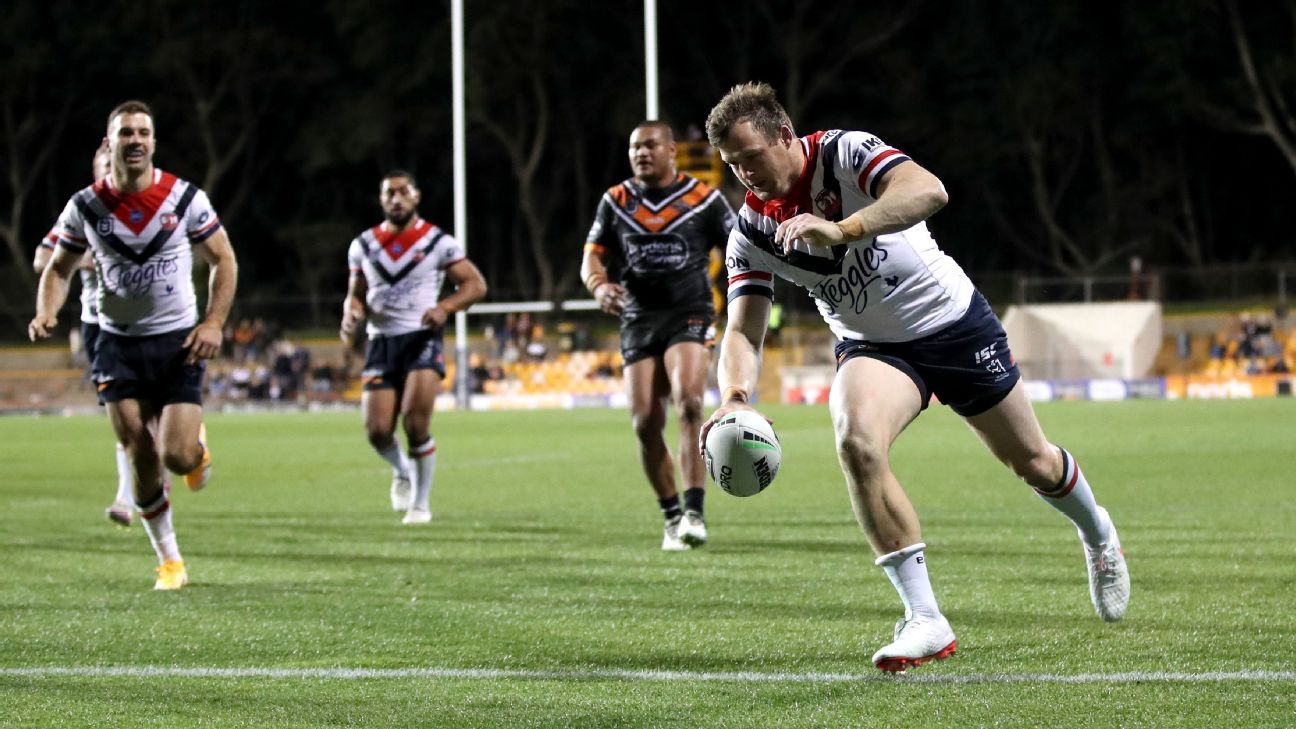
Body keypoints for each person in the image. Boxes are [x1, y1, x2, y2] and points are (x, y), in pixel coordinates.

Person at [701, 82, 1129, 671]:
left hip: (953, 324)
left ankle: (1098, 532)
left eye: (752, 156)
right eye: (733, 165)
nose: (745, 174)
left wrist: (844, 229)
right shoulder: (750, 233)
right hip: (874, 348)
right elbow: (744, 332)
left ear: (784, 134)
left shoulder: (844, 153)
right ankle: (925, 618)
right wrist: (734, 396)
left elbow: (929, 190)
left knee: (1033, 462)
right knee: (857, 442)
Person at [29, 100, 238, 591]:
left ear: (154, 142)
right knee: (139, 451)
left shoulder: (184, 198)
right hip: (116, 345)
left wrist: (214, 322)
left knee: (176, 456)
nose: (136, 140)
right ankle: (170, 561)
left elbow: (224, 259)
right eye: (127, 133)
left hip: (178, 341)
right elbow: (57, 268)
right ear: (111, 142)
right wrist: (46, 310)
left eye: (144, 132)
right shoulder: (85, 206)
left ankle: (196, 451)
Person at [580, 121, 736, 550]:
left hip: (690, 312)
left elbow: (738, 247)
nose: (641, 153)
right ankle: (671, 515)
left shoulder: (704, 198)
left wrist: (745, 291)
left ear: (672, 150)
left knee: (689, 402)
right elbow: (591, 257)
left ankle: (694, 512)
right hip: (638, 318)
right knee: (645, 422)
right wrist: (598, 286)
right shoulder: (616, 201)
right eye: (635, 147)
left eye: (650, 145)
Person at [340, 170, 487, 524]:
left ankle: (420, 504)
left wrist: (445, 307)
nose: (397, 199)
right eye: (389, 193)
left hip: (421, 337)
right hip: (381, 341)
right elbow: (356, 294)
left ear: (416, 196)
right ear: (381, 199)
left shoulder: (438, 242)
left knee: (416, 422)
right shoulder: (363, 245)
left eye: (403, 192)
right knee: (377, 431)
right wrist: (352, 312)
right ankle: (402, 470)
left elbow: (475, 285)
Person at [32, 142, 141, 526]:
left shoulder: (149, 205)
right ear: (96, 171)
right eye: (103, 165)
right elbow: (43, 257)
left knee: (151, 418)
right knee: (125, 415)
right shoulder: (84, 209)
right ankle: (129, 494)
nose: (110, 171)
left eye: (114, 164)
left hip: (147, 324)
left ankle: (173, 453)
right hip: (99, 324)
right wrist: (85, 260)